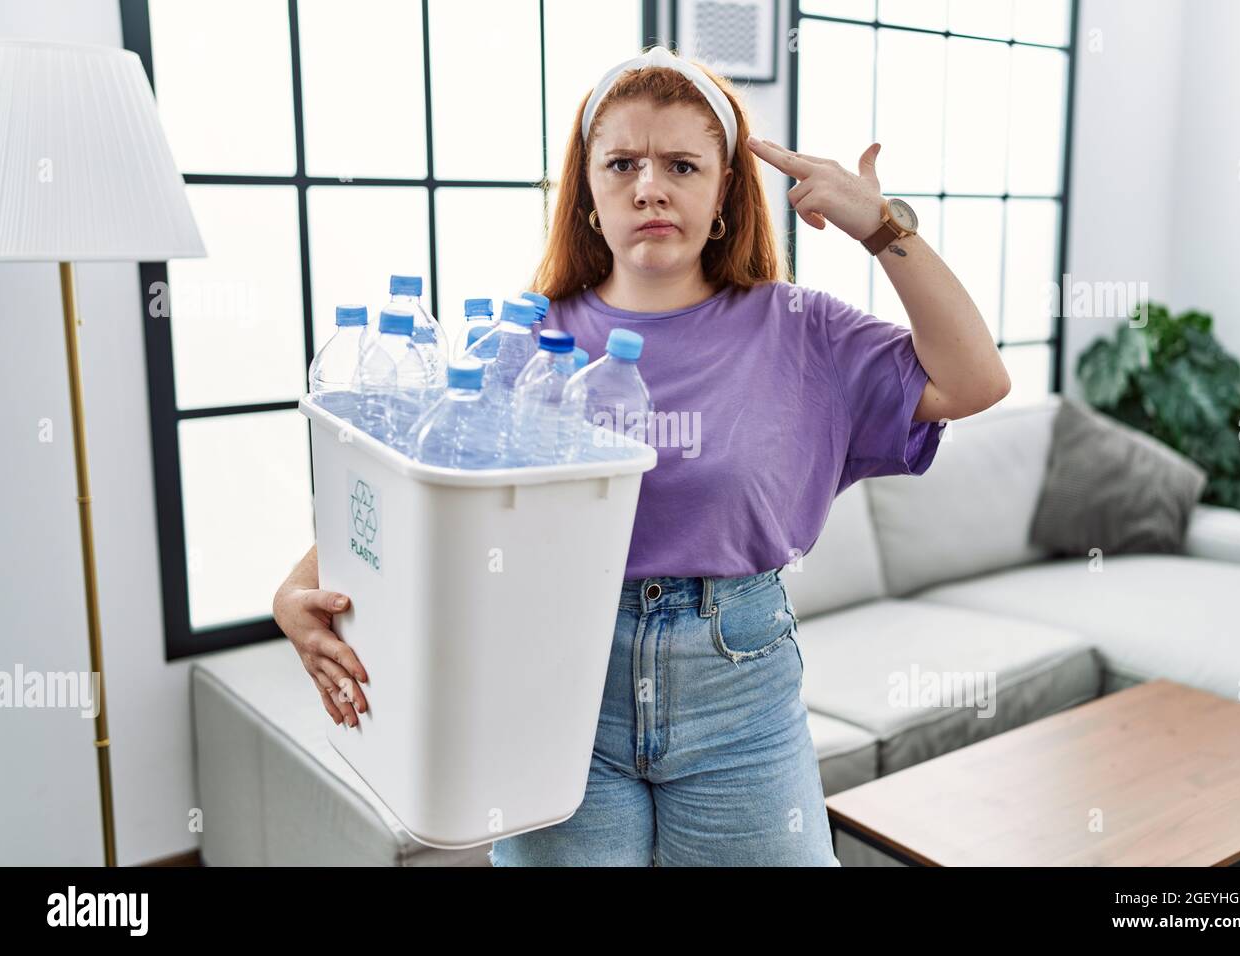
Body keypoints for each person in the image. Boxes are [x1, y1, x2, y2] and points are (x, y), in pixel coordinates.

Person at [272, 45, 1010, 866]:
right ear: (586, 192)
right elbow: (433, 483)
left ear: (726, 190)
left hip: (740, 693)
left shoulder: (802, 329)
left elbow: (976, 379)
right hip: (550, 687)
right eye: (621, 162)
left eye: (682, 165)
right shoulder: (525, 341)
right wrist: (297, 587)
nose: (649, 185)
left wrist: (879, 226)